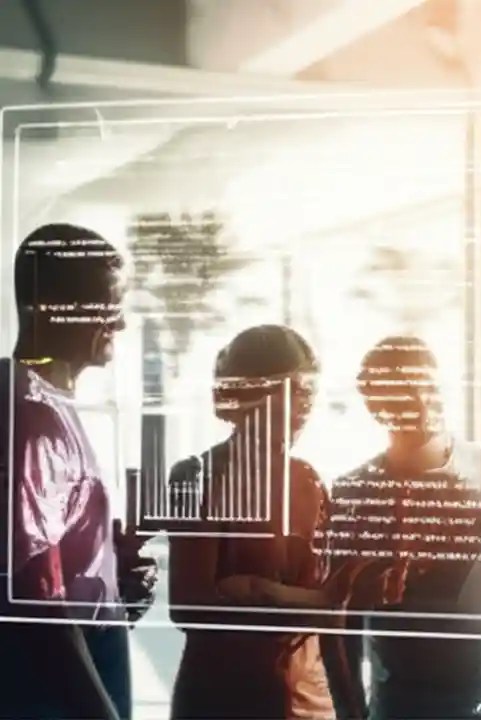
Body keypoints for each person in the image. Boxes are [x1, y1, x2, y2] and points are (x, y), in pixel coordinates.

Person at [328, 336, 481, 720]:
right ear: (377, 408)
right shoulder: (355, 490)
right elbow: (341, 617)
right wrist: (350, 710)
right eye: (404, 395)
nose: (422, 404)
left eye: (427, 388)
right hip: (399, 703)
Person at [0, 223, 145, 719]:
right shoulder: (31, 415)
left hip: (74, 660)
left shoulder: (45, 403)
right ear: (55, 308)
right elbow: (36, 598)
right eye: (109, 304)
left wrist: (107, 579)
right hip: (49, 684)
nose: (120, 323)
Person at [166, 325, 342, 719]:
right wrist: (305, 601)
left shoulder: (308, 480)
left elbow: (334, 607)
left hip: (306, 702)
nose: (304, 410)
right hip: (221, 700)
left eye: (308, 396)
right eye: (294, 394)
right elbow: (189, 606)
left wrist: (261, 590)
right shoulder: (195, 476)